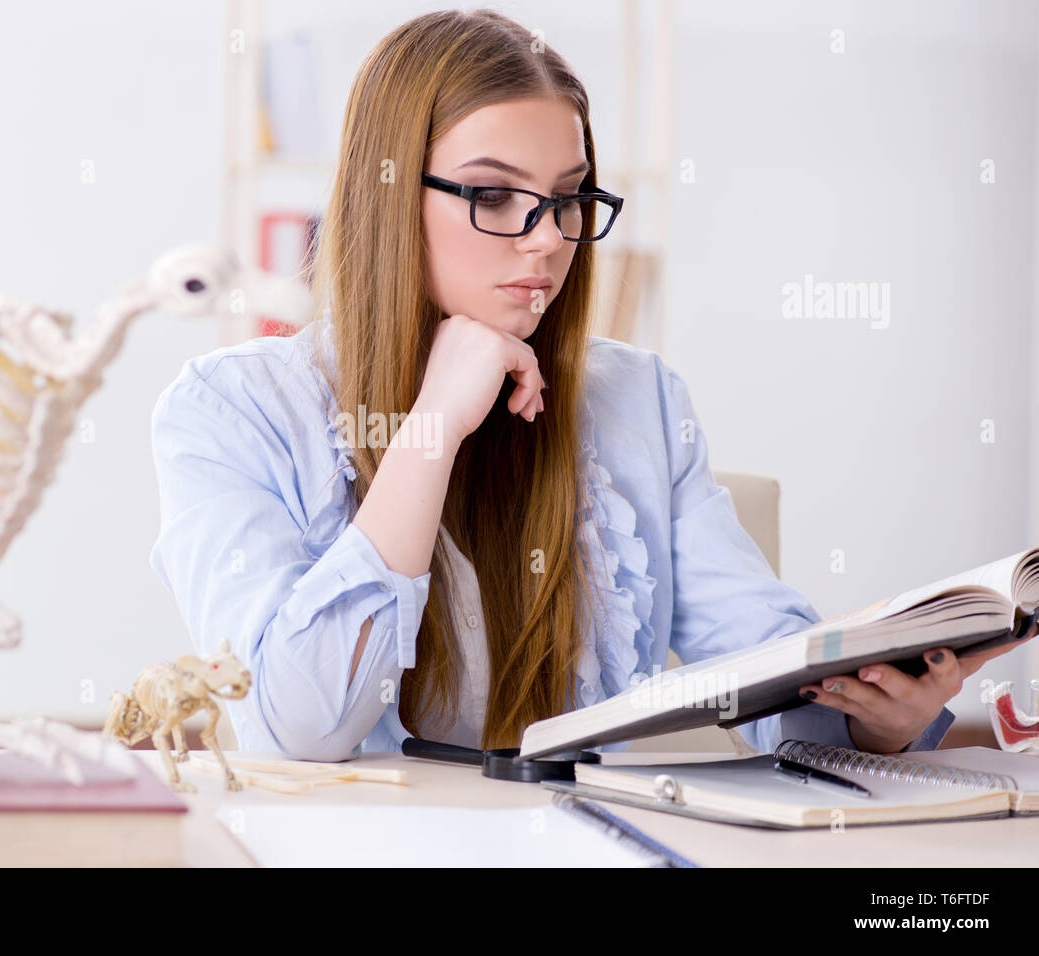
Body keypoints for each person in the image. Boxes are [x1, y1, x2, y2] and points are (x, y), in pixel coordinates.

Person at [149, 9, 1004, 762]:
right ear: (386, 200)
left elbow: (764, 681)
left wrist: (876, 720)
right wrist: (433, 428)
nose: (548, 240)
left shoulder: (639, 397)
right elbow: (301, 723)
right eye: (492, 194)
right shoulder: (231, 409)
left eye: (566, 199)